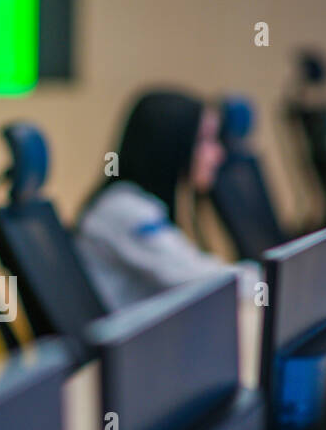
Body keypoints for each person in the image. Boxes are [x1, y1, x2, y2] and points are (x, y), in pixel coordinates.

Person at [75, 88, 261, 311]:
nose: (218, 154)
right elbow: (199, 278)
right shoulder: (125, 210)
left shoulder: (138, 203)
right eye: (205, 140)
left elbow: (195, 266)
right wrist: (269, 279)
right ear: (171, 143)